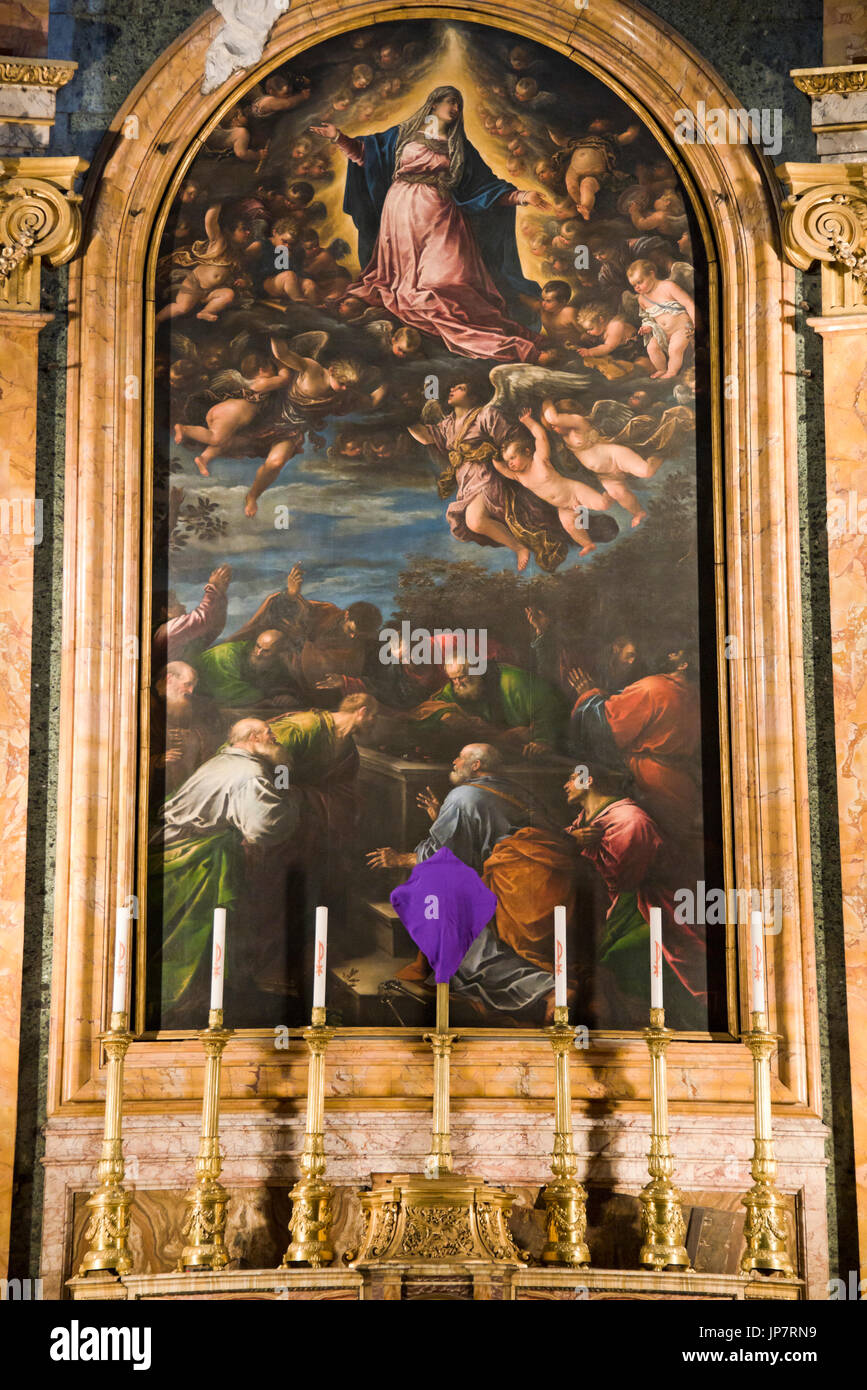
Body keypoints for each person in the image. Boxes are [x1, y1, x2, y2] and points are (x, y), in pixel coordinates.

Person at [311, 86, 551, 359]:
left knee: (450, 279)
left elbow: (483, 186)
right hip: (401, 212)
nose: (456, 109)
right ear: (434, 102)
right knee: (413, 286)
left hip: (441, 214)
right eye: (451, 102)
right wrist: (338, 138)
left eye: (459, 105)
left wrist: (522, 196)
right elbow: (367, 155)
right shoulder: (403, 133)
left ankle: (490, 332)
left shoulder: (458, 144)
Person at [367, 743, 582, 1022]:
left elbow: (442, 854)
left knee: (457, 927)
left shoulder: (462, 796)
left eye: (460, 758)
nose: (454, 762)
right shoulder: (519, 790)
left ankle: (546, 988)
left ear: (477, 766)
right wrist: (442, 818)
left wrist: (399, 859)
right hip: (547, 886)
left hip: (510, 887)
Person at [147, 718, 301, 1024]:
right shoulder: (250, 774)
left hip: (169, 848)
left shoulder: (218, 762)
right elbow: (264, 827)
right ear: (255, 737)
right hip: (195, 860)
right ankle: (193, 1005)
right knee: (197, 938)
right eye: (271, 735)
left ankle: (198, 1001)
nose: (275, 740)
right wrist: (293, 802)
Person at [563, 760, 707, 1027]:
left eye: (571, 778)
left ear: (589, 780)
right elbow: (568, 846)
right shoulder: (588, 818)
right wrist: (574, 841)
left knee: (617, 958)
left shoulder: (629, 819)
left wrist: (580, 852)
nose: (565, 785)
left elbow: (625, 881)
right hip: (619, 905)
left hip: (653, 908)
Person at [408, 380, 568, 573]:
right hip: (467, 481)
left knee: (475, 521)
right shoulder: (448, 423)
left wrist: (493, 454)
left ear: (473, 397)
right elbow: (426, 437)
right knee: (475, 522)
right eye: (454, 387)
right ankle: (518, 546)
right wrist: (405, 419)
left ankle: (519, 548)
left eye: (461, 388)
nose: (452, 389)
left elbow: (511, 438)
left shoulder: (486, 414)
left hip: (487, 475)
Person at [567, 645, 702, 845]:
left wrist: (589, 694)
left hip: (652, 782)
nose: (669, 652)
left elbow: (606, 727)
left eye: (676, 652)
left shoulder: (654, 688)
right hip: (682, 783)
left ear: (684, 665)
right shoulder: (693, 693)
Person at [493, 410, 611, 555]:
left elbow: (540, 437)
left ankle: (608, 495)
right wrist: (493, 457)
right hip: (563, 506)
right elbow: (501, 468)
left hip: (574, 491)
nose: (510, 464)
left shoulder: (540, 460)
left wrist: (528, 421)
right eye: (508, 461)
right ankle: (588, 544)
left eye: (513, 457)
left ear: (527, 451)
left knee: (602, 504)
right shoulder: (519, 476)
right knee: (570, 526)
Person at [411, 656, 568, 757]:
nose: (457, 684)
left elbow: (547, 705)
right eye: (453, 679)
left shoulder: (512, 681)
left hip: (540, 745)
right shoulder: (455, 688)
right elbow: (430, 706)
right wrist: (445, 713)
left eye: (462, 677)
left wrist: (542, 739)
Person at [540, 398, 662, 528]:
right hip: (604, 473)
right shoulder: (565, 437)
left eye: (556, 424)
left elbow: (553, 418)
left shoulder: (578, 422)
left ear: (566, 416)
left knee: (646, 471)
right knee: (618, 494)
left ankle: (661, 452)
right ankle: (639, 513)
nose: (553, 427)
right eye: (551, 427)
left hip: (614, 456)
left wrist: (545, 399)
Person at [194, 629, 304, 711]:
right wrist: (266, 699)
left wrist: (286, 697)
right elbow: (229, 691)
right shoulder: (225, 654)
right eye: (258, 646)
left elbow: (282, 684)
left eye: (266, 651)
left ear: (278, 654)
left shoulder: (275, 663)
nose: (258, 653)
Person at [627, 258, 695, 380]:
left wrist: (695, 324)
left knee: (675, 348)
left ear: (652, 274)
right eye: (634, 285)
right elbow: (647, 317)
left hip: (682, 328)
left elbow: (689, 303)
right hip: (661, 332)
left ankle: (671, 371)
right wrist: (647, 326)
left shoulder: (668, 286)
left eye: (640, 282)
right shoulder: (642, 299)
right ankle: (661, 369)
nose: (637, 287)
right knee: (651, 348)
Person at [152, 565, 231, 668]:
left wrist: (220, 594)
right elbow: (203, 619)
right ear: (165, 611)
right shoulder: (170, 629)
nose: (183, 606)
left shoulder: (175, 633)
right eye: (177, 603)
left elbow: (213, 629)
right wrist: (214, 586)